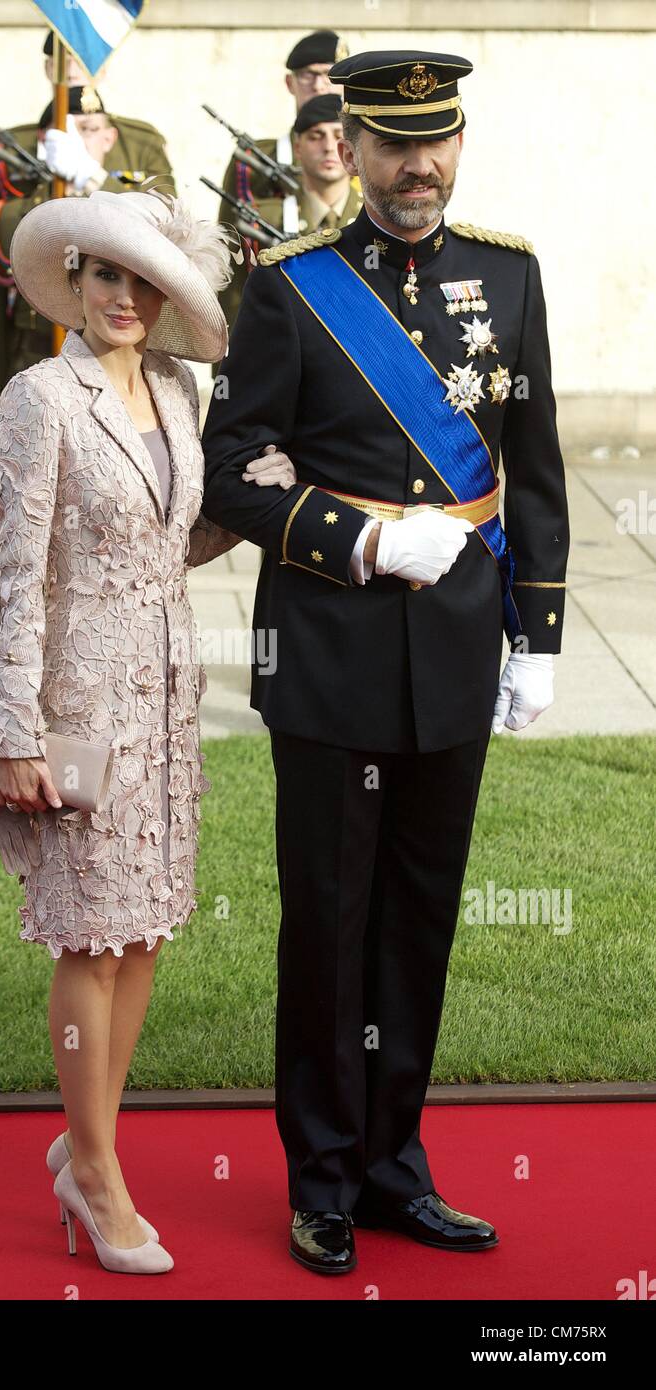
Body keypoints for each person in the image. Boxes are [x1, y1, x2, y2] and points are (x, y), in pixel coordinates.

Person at [200, 49, 569, 1273]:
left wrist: (538, 634)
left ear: (456, 145)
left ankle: (394, 1168)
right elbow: (235, 463)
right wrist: (354, 538)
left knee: (416, 923)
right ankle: (318, 1176)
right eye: (391, 145)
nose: (417, 168)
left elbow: (540, 465)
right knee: (328, 922)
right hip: (327, 647)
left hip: (457, 646)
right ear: (346, 147)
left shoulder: (506, 276)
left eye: (436, 142)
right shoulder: (291, 287)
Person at [0, 188, 298, 1273]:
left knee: (145, 928)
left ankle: (85, 1150)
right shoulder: (39, 398)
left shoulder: (174, 385)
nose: (124, 296)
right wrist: (16, 729)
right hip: (75, 701)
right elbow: (18, 579)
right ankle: (99, 1172)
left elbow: (171, 535)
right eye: (105, 274)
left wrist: (254, 495)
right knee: (87, 934)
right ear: (72, 281)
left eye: (142, 278)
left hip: (166, 695)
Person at [0, 32, 175, 451]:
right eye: (63, 63)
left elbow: (167, 233)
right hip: (37, 346)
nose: (75, 70)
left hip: (127, 348)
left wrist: (95, 178)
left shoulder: (140, 142)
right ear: (48, 70)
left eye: (85, 60)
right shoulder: (12, 146)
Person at [218, 93, 361, 331]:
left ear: (352, 148)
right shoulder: (259, 222)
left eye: (339, 136)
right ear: (298, 147)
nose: (328, 147)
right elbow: (233, 306)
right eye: (316, 136)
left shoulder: (379, 219)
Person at [217, 28, 347, 222]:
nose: (319, 85)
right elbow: (229, 239)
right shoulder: (253, 161)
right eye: (308, 75)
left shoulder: (368, 152)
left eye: (329, 75)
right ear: (289, 83)